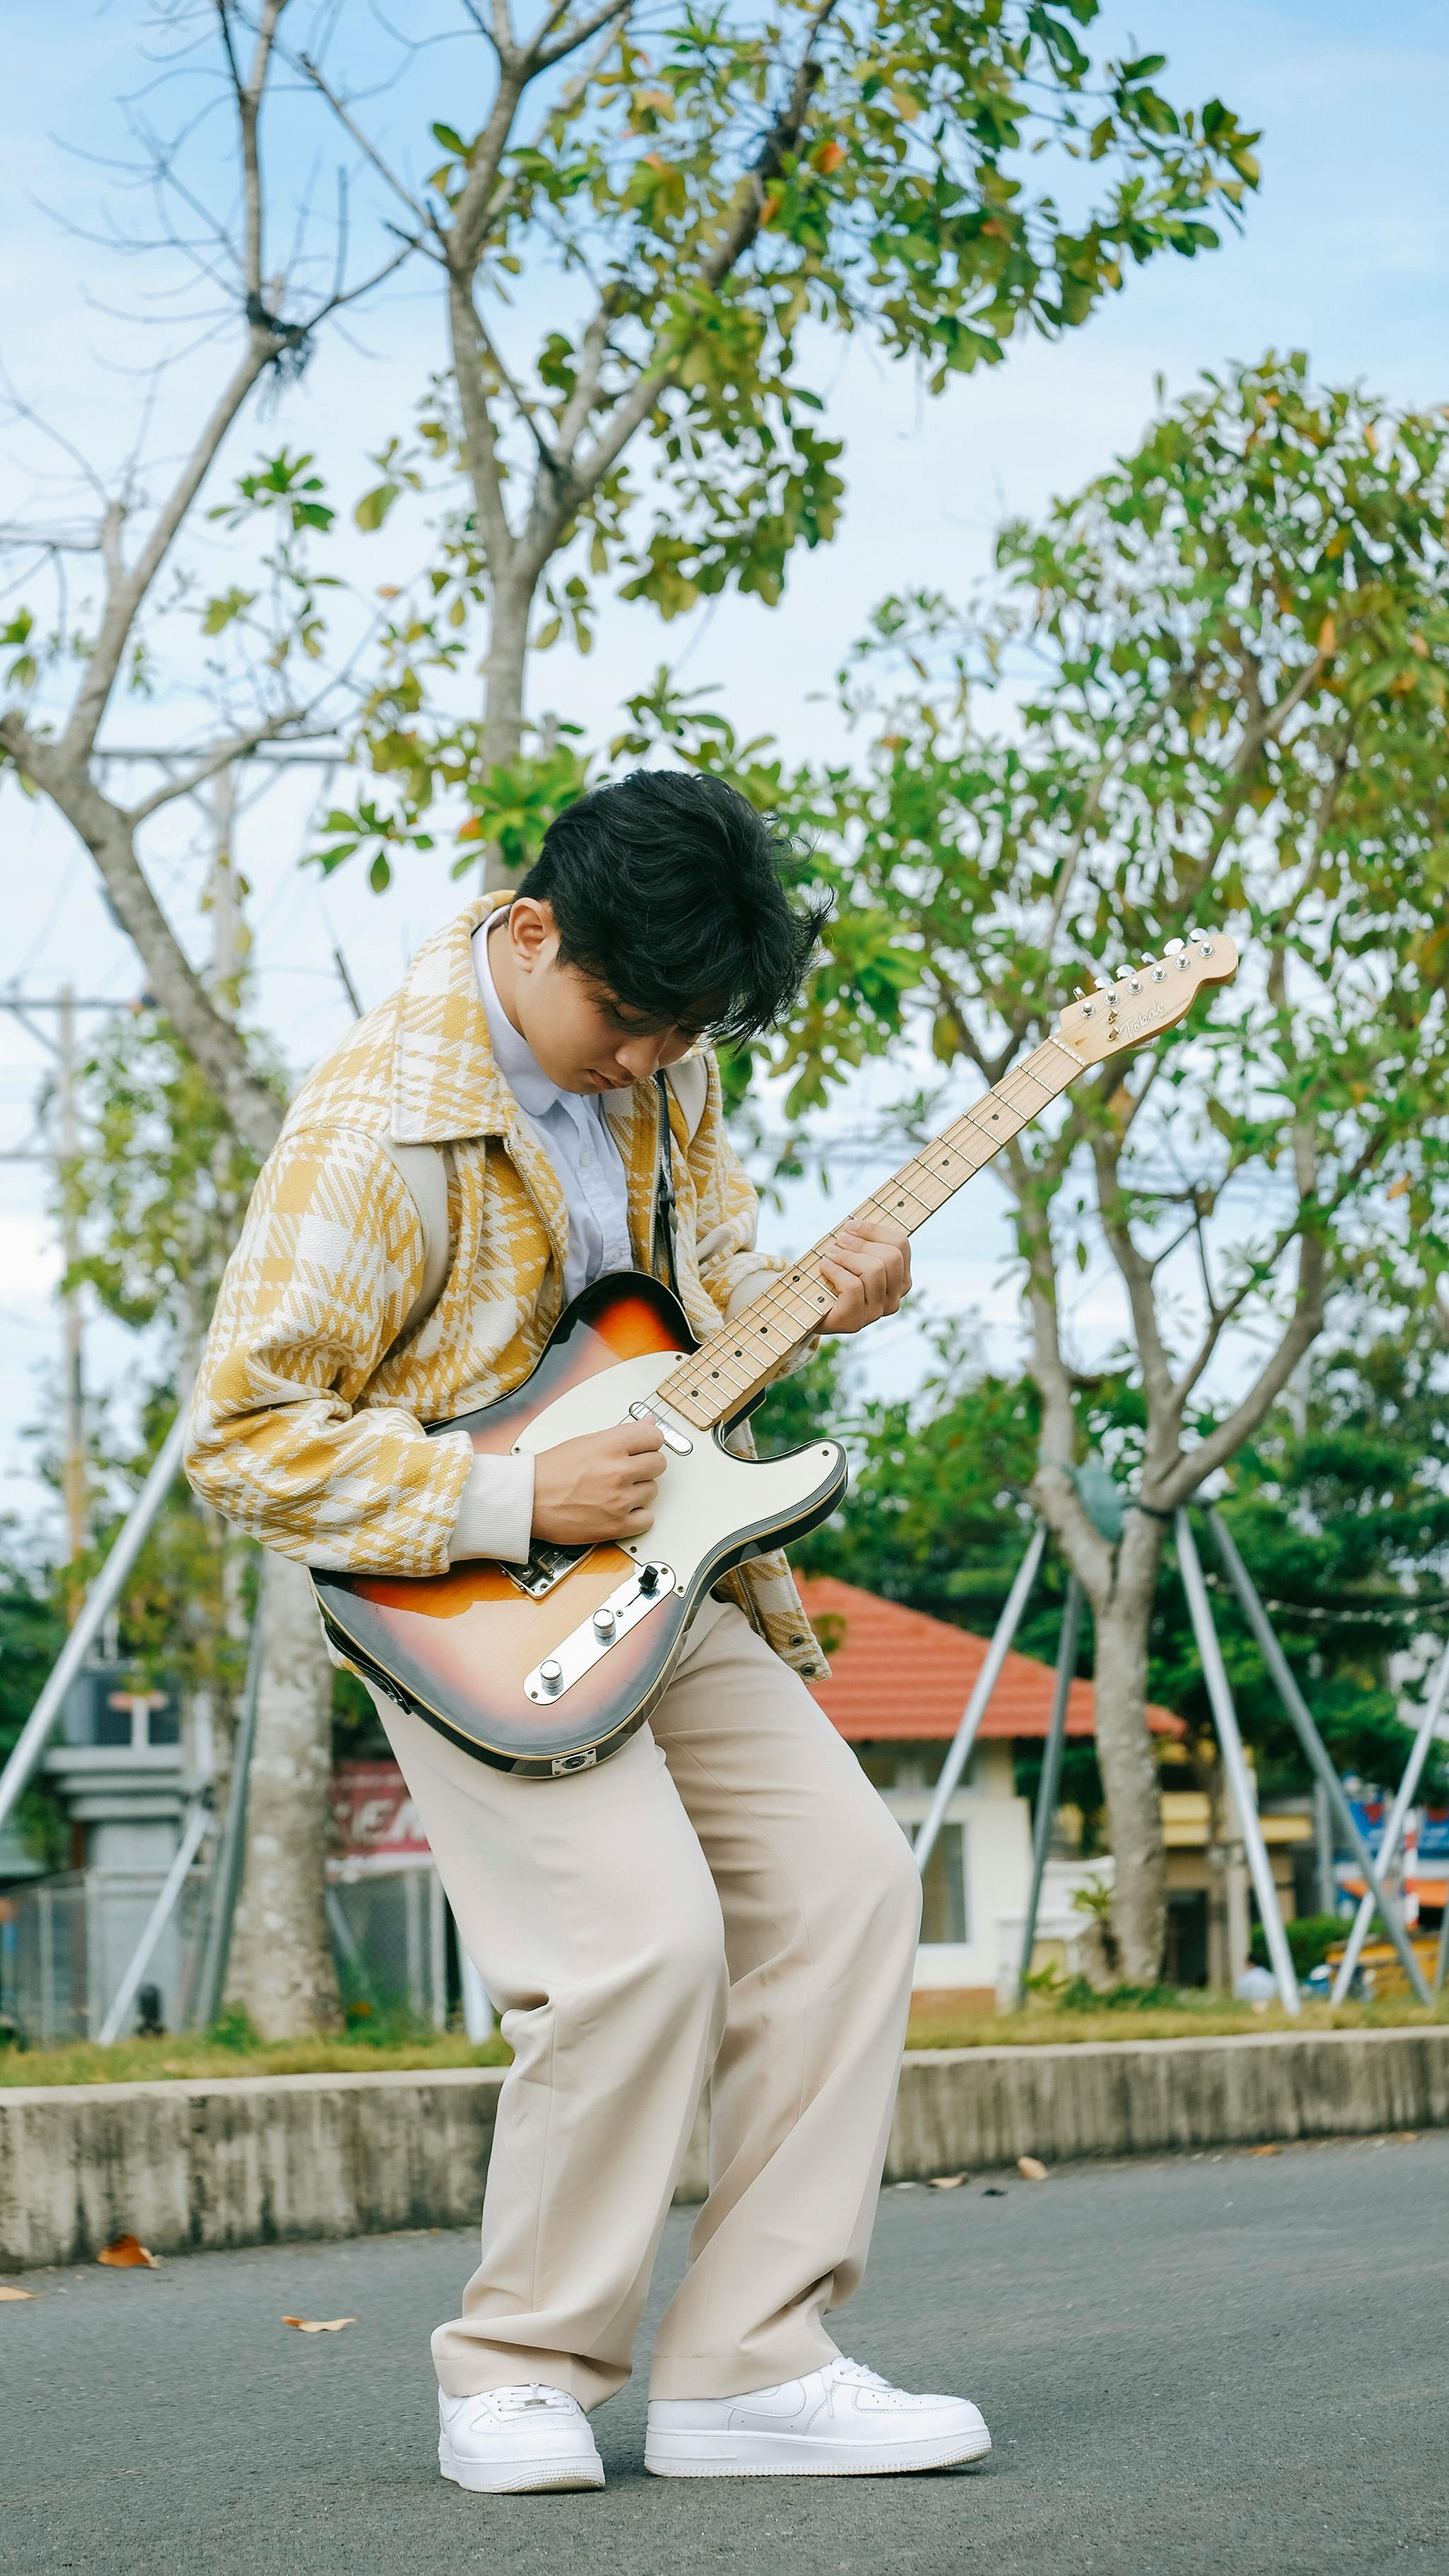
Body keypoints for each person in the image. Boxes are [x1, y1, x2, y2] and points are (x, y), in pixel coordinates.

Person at [186, 769, 991, 2493]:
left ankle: (750, 2365)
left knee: (852, 1885)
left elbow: (697, 1300)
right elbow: (243, 1440)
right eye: (626, 1017)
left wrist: (821, 1294)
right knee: (644, 1946)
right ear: (533, 929)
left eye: (682, 1031)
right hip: (470, 1600)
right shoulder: (370, 1130)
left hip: (669, 1566)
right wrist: (510, 1497)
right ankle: (516, 2368)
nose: (646, 1057)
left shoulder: (666, 1062)